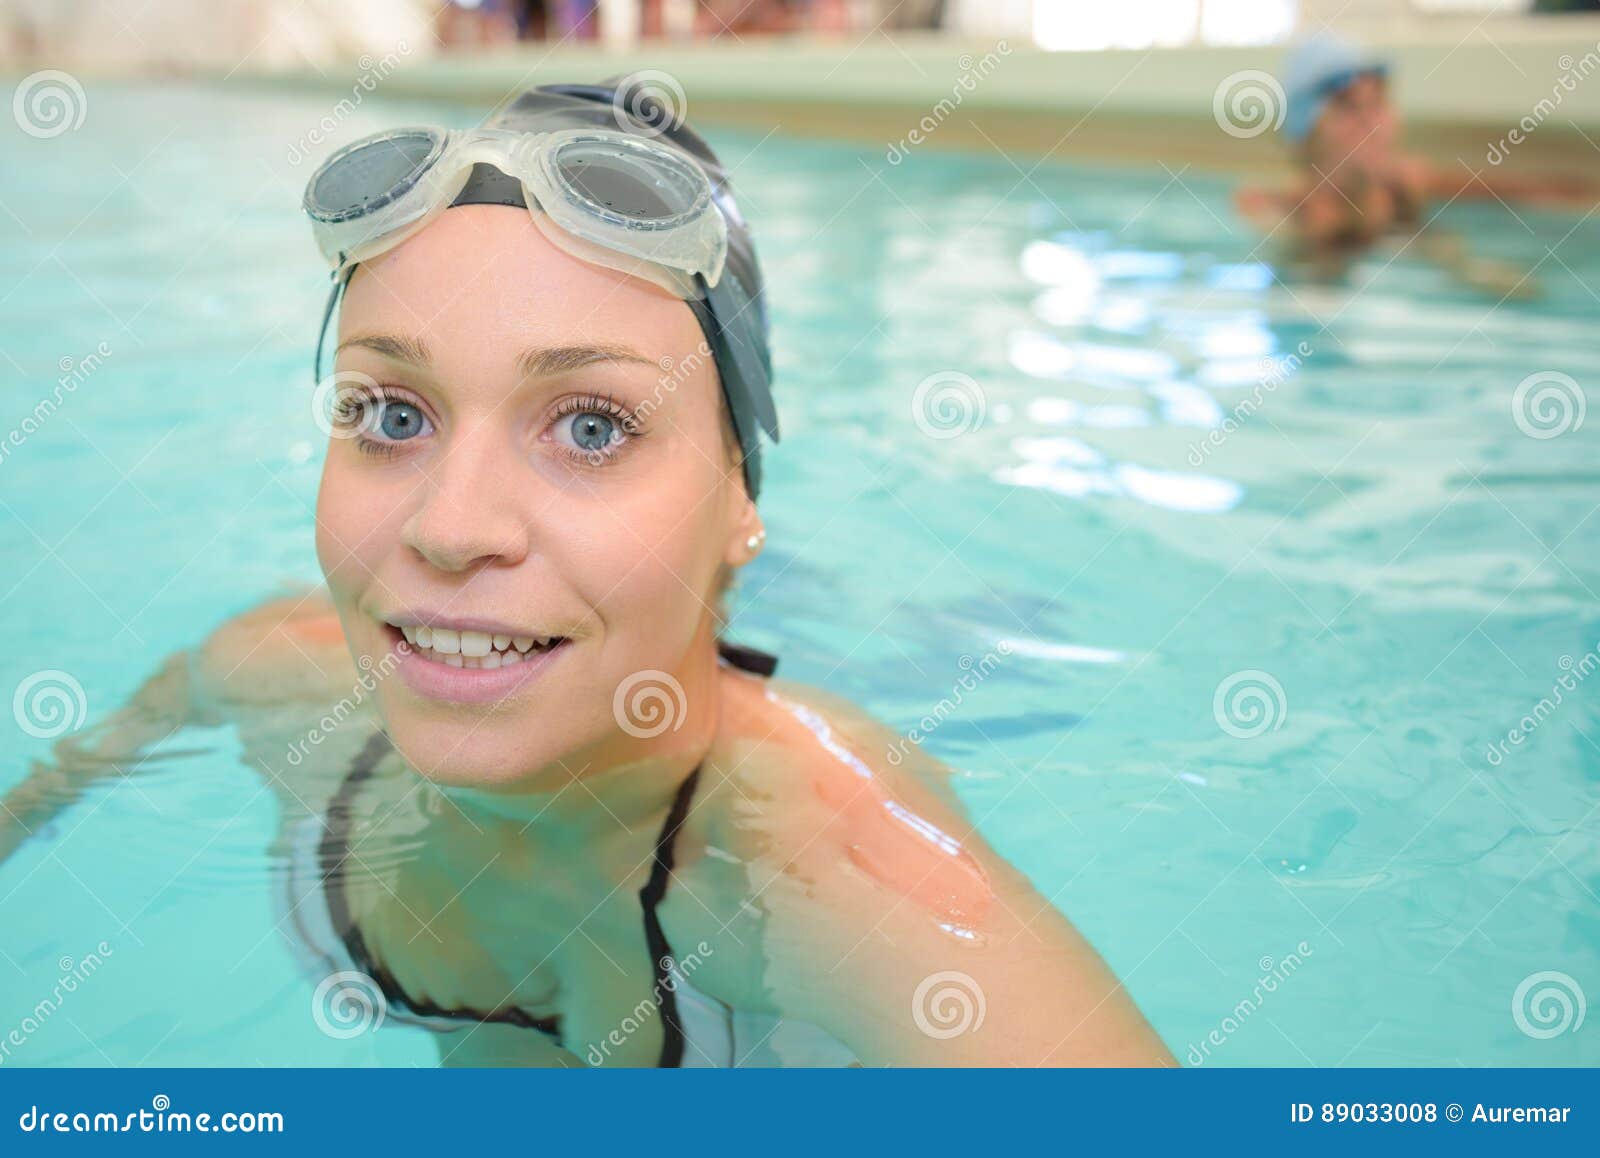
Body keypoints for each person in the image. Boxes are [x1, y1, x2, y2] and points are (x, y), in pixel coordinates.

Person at [1, 83, 1172, 1068]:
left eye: (594, 427)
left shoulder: (812, 869)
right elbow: (65, 782)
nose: (449, 529)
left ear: (738, 500)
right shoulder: (270, 678)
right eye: (391, 411)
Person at [1235, 32, 1592, 285]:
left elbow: (1525, 194)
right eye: (1348, 107)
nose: (1371, 123)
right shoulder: (1276, 211)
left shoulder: (1405, 185)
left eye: (1378, 103)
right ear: (1305, 135)